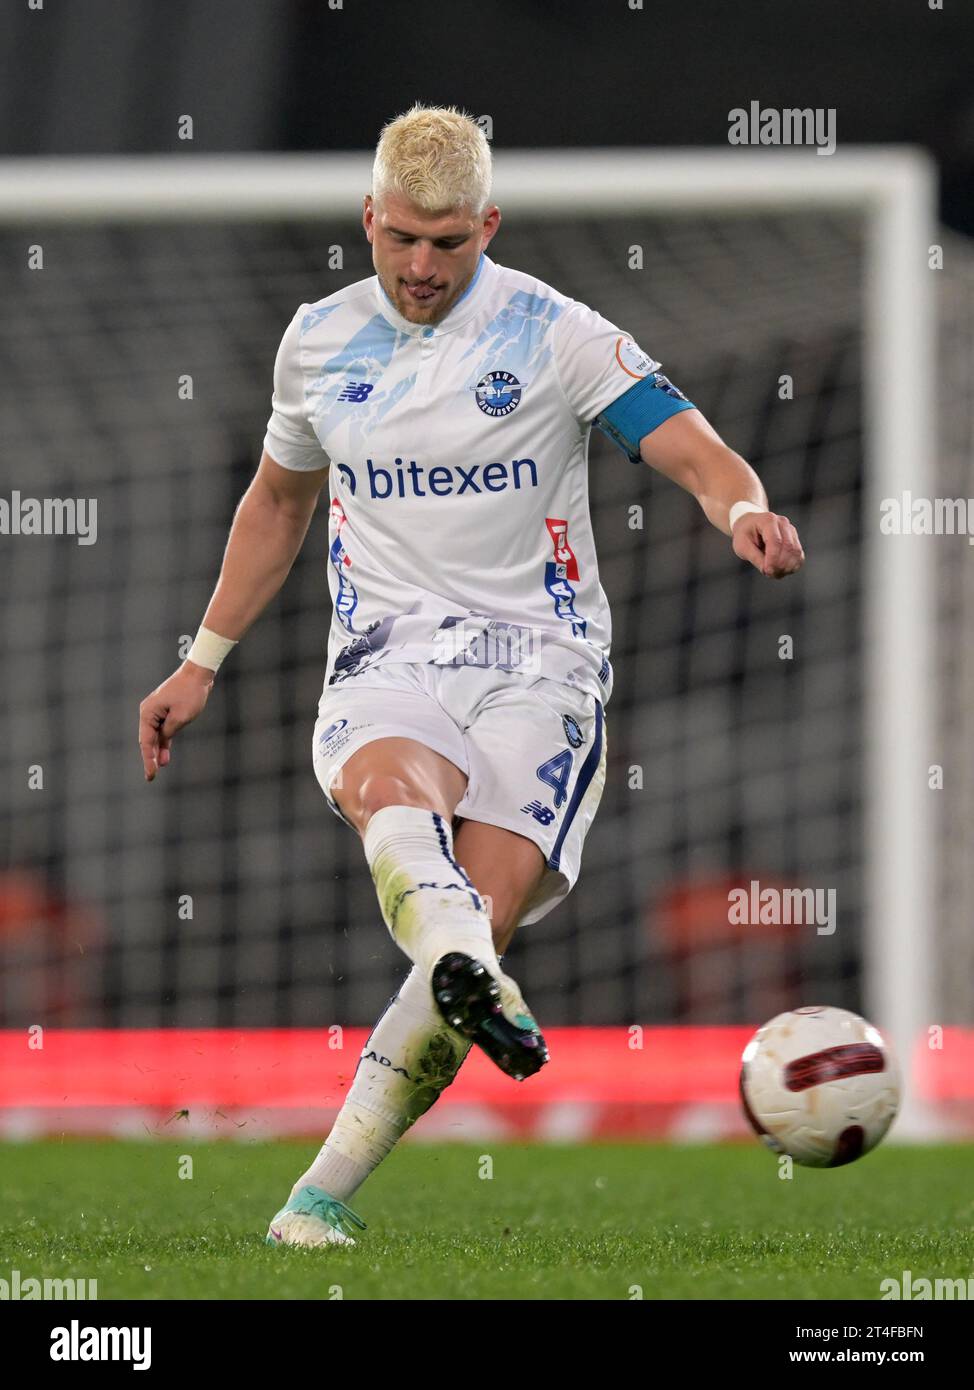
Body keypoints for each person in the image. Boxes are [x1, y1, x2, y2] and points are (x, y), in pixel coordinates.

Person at [138, 104, 804, 1247]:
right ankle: (390, 1082)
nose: (420, 265)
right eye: (400, 238)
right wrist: (202, 659)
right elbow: (280, 501)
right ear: (369, 219)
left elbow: (687, 443)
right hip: (386, 654)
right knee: (392, 797)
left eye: (448, 243)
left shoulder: (555, 334)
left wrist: (740, 504)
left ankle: (329, 1178)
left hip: (539, 666)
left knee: (473, 925)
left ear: (486, 225)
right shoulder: (318, 339)